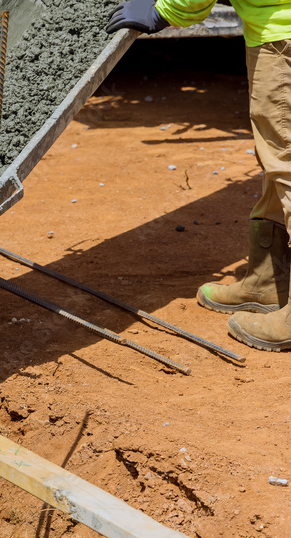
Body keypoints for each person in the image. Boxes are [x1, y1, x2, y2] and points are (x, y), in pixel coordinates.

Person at [107, 0, 291, 351]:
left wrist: (165, 11)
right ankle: (268, 281)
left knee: (286, 163)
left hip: (284, 35)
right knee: (277, 158)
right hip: (276, 29)